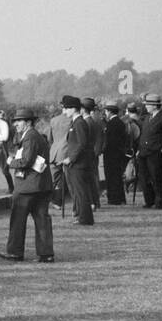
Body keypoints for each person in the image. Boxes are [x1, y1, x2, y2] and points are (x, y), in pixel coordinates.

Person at [0, 108, 54, 262]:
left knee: (18, 219)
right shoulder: (33, 136)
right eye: (15, 121)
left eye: (19, 121)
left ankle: (15, 252)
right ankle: (46, 253)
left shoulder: (30, 137)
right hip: (40, 184)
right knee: (42, 219)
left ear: (28, 122)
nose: (15, 124)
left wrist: (11, 162)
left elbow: (26, 161)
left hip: (28, 186)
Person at [59, 96, 95, 225]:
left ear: (74, 109)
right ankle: (81, 216)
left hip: (78, 164)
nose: (64, 112)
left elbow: (82, 144)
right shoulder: (75, 122)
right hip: (76, 163)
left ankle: (85, 218)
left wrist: (71, 158)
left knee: (81, 191)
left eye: (66, 109)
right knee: (78, 191)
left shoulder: (79, 123)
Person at [136, 93, 162, 208]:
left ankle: (159, 202)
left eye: (148, 105)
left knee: (156, 178)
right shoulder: (147, 118)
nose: (146, 107)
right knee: (144, 178)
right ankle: (149, 200)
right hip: (144, 152)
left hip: (156, 153)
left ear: (154, 106)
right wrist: (139, 149)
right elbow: (143, 135)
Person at [102, 102, 129, 205]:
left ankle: (114, 198)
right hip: (118, 153)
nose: (105, 113)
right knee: (117, 176)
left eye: (106, 111)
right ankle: (120, 198)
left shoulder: (111, 124)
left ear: (109, 112)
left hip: (111, 154)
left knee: (111, 176)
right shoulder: (120, 122)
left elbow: (110, 141)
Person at [47, 103, 71, 209]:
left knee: (54, 179)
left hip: (54, 152)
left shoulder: (53, 120)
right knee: (69, 179)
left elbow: (49, 138)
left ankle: (53, 200)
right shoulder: (72, 120)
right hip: (67, 152)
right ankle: (59, 201)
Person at [82, 98, 104, 208]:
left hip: (87, 155)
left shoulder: (86, 123)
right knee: (93, 178)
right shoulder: (95, 122)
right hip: (93, 154)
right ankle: (95, 201)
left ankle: (92, 201)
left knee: (89, 179)